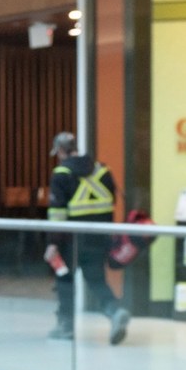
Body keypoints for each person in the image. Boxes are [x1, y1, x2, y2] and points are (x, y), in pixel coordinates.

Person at [46, 132, 130, 345]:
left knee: (64, 280)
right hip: (98, 239)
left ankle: (65, 328)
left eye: (58, 153)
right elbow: (111, 203)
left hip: (69, 242)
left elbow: (57, 214)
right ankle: (115, 311)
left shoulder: (61, 174)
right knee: (96, 280)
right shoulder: (103, 171)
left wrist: (52, 244)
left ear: (62, 151)